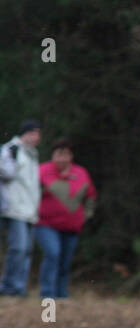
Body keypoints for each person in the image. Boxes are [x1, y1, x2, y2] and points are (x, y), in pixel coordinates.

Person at [35, 138, 97, 300]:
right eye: (59, 154)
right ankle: (47, 293)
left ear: (71, 156)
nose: (62, 158)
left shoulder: (81, 173)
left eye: (66, 154)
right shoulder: (42, 171)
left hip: (71, 227)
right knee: (53, 253)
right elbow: (31, 192)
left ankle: (62, 295)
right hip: (45, 223)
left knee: (65, 261)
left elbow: (91, 196)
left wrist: (87, 215)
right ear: (53, 155)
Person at [0, 119, 43, 296]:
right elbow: (6, 172)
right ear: (25, 133)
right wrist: (12, 160)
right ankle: (10, 287)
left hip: (29, 210)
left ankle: (19, 288)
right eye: (33, 133)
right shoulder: (11, 149)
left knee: (26, 250)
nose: (36, 138)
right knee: (18, 248)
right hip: (14, 208)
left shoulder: (32, 154)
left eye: (39, 134)